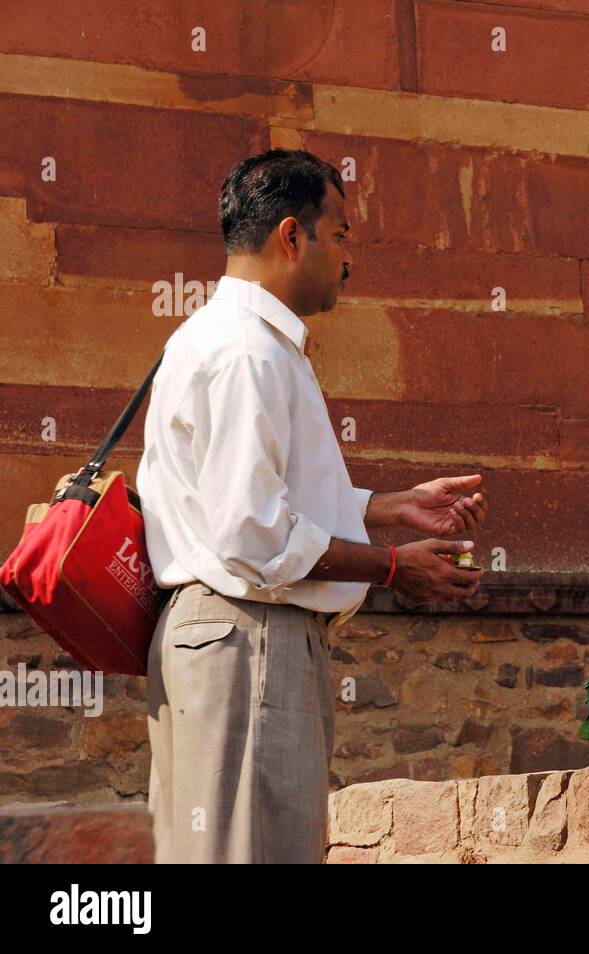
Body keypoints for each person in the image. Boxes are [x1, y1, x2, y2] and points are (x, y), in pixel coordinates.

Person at [137, 149, 488, 863]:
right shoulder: (247, 352)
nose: (348, 259)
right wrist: (394, 568)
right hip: (250, 636)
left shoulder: (233, 341)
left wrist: (393, 507)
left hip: (235, 636)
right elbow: (254, 533)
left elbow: (259, 502)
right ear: (292, 237)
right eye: (342, 235)